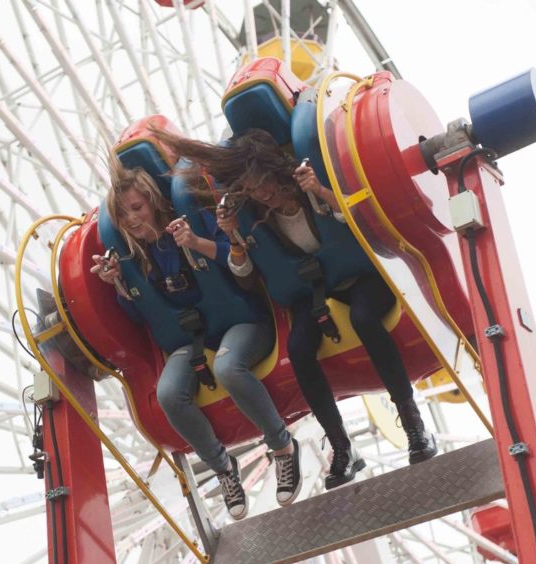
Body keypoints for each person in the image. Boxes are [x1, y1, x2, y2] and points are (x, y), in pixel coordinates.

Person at [155, 128, 437, 490]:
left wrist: (318, 190)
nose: (264, 194)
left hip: (361, 279)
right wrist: (235, 236)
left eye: (265, 184)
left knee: (365, 319)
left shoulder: (309, 190)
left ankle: (412, 421)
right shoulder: (254, 215)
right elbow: (244, 272)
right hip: (312, 292)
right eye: (253, 189)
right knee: (299, 349)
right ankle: (341, 446)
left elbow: (355, 215)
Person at [90, 158, 302, 519]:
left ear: (155, 201)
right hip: (191, 339)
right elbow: (142, 317)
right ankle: (223, 470)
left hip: (242, 322)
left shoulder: (191, 224)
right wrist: (120, 286)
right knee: (168, 394)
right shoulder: (135, 259)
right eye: (123, 216)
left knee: (228, 369)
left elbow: (241, 264)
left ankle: (283, 448)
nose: (132, 220)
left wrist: (194, 242)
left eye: (137, 208)